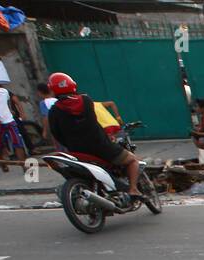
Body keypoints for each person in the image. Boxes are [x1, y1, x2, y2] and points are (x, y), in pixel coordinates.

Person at [45, 71, 141, 199]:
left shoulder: (54, 111)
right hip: (102, 147)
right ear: (72, 85)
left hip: (77, 151)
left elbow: (56, 134)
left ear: (52, 89)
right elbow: (94, 122)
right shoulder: (86, 101)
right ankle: (133, 189)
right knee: (132, 160)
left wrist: (70, 144)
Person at [0, 75, 27, 163]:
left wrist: (10, 110)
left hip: (9, 121)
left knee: (17, 142)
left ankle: (23, 165)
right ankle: (2, 162)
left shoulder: (4, 91)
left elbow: (7, 102)